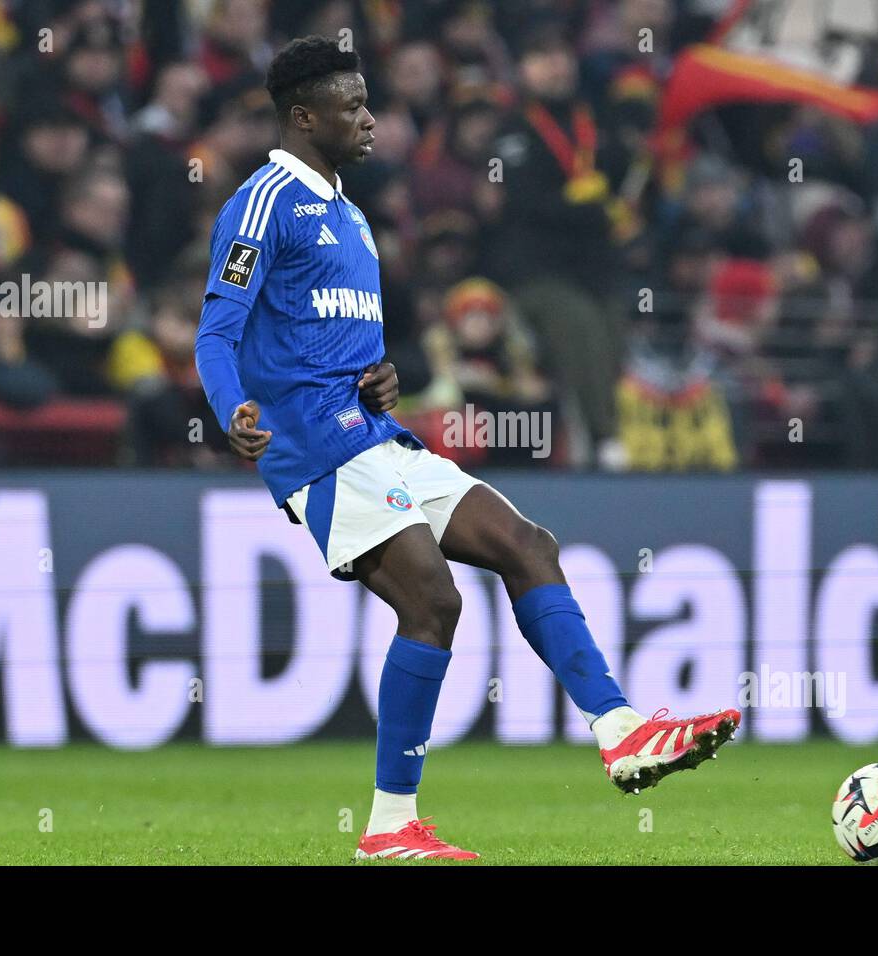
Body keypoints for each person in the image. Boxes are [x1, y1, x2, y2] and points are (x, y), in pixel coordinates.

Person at [194, 35, 740, 862]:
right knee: (434, 601)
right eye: (354, 107)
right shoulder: (264, 201)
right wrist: (234, 407)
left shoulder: (351, 214)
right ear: (304, 117)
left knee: (528, 544)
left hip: (376, 431)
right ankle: (388, 826)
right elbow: (218, 329)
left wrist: (381, 379)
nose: (373, 120)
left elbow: (347, 343)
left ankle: (621, 730)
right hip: (315, 445)